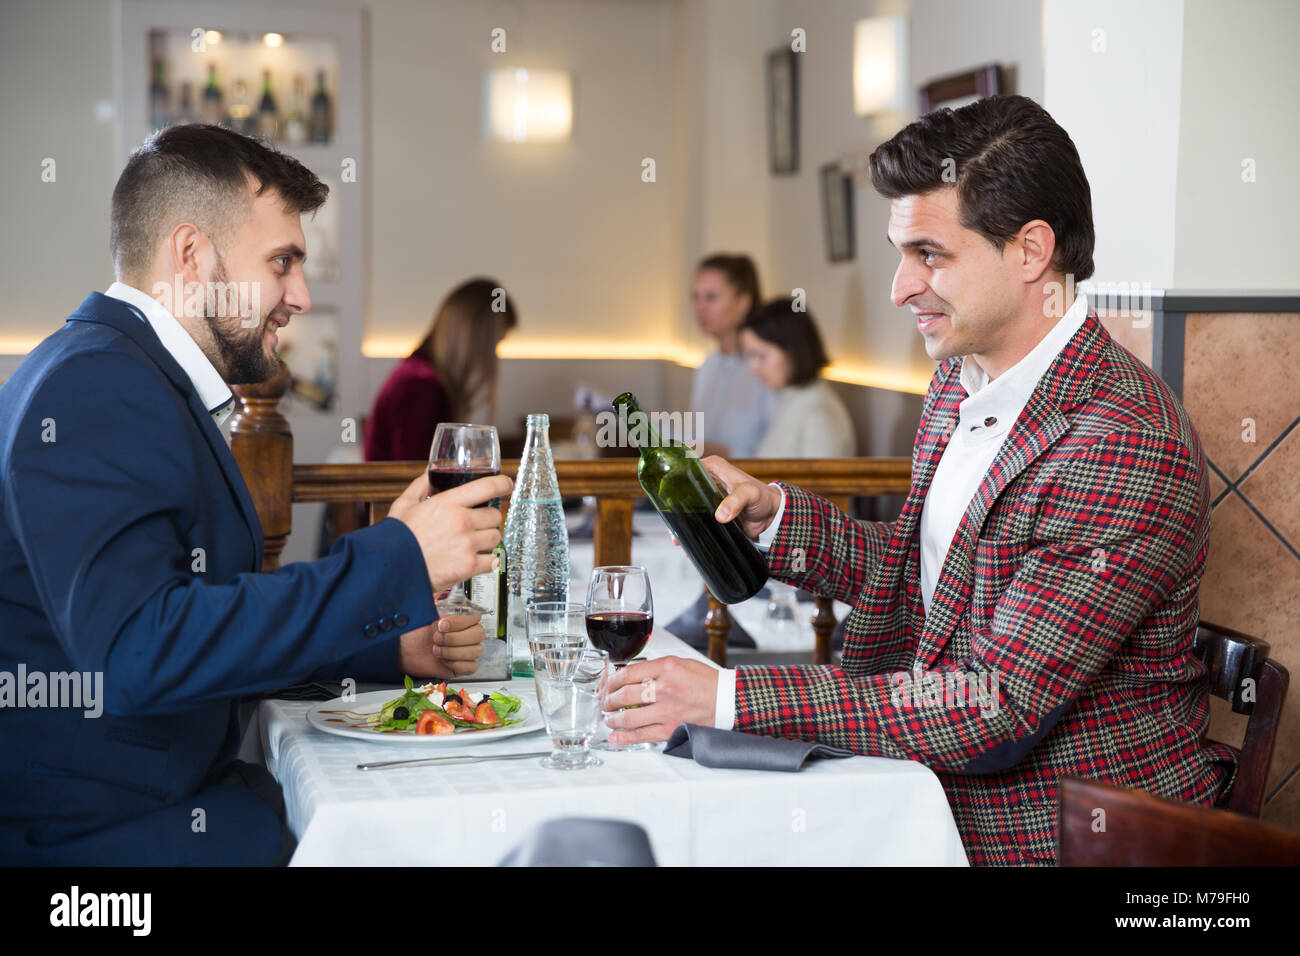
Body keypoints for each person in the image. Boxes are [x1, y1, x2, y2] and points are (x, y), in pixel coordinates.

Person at [603, 95, 1236, 866]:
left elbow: (993, 704)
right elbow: (925, 581)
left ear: (1031, 251)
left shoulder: (1122, 440)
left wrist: (732, 698)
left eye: (929, 255)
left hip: (1056, 834)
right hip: (920, 786)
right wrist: (772, 515)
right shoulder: (961, 382)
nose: (902, 288)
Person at [0, 124, 513, 865]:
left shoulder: (128, 373)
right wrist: (395, 560)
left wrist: (387, 642)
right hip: (97, 838)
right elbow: (137, 652)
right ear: (189, 255)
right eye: (282, 263)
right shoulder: (98, 386)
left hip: (160, 799)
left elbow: (206, 616)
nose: (300, 296)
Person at [364, 278, 517, 462]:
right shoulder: (421, 387)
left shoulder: (416, 374)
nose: (494, 356)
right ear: (476, 341)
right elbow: (415, 477)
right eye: (495, 344)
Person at [739, 296, 855, 458]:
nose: (753, 367)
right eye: (750, 357)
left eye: (761, 356)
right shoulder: (789, 400)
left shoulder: (818, 414)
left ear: (793, 352)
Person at [689, 254, 773, 457]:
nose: (700, 307)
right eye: (695, 297)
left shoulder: (766, 368)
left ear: (743, 302)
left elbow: (778, 452)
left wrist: (720, 453)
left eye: (711, 297)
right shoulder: (708, 365)